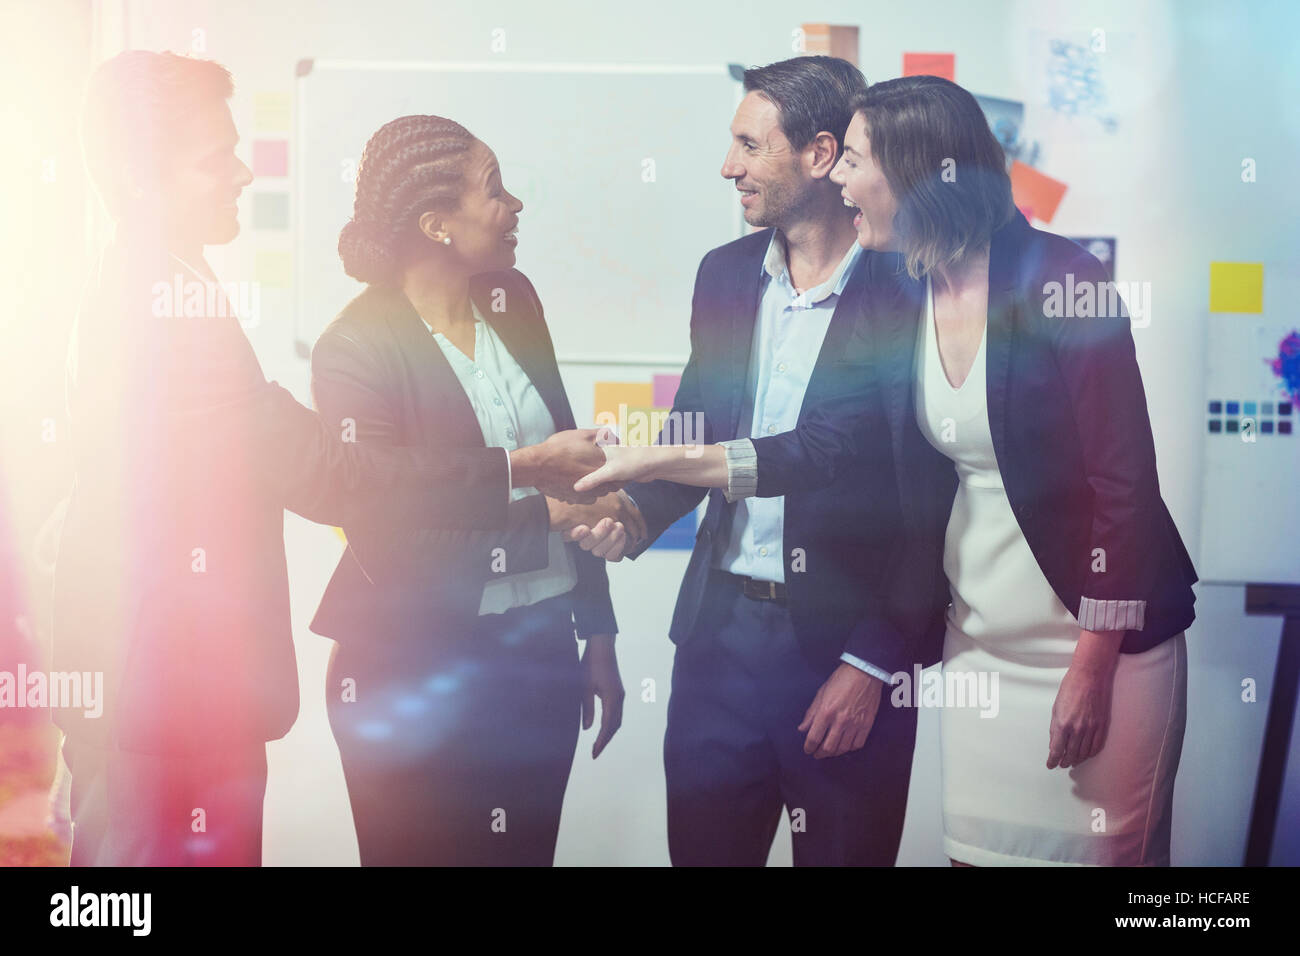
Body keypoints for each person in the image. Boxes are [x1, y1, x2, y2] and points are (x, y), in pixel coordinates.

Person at [578, 75, 1198, 867]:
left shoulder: (995, 284)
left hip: (1049, 642)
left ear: (892, 168)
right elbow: (747, 427)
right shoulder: (881, 279)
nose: (841, 182)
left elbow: (1111, 485)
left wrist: (1079, 661)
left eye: (854, 161)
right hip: (946, 642)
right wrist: (633, 506)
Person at [55, 51, 609, 867]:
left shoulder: (173, 284)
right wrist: (519, 470)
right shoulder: (168, 310)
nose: (242, 173)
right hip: (163, 699)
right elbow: (331, 475)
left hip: (181, 696)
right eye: (217, 158)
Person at [570, 56, 934, 867]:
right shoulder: (725, 276)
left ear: (818, 154)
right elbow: (695, 424)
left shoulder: (910, 291)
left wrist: (873, 660)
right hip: (717, 644)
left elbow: (928, 496)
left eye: (748, 144)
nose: (727, 166)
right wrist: (630, 515)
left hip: (843, 651)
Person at [309, 115, 639, 865]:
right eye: (494, 190)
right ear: (436, 224)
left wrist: (599, 631)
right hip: (412, 672)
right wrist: (550, 518)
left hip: (537, 660)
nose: (514, 204)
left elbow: (570, 464)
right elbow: (390, 538)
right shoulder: (354, 349)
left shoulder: (511, 298)